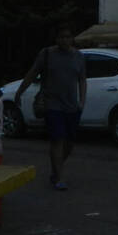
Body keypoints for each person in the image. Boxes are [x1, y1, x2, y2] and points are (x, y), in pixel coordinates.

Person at [16, 26, 87, 190]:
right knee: (57, 140)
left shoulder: (78, 57)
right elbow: (33, 73)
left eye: (68, 37)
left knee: (69, 144)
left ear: (72, 39)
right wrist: (20, 92)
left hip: (72, 106)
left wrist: (82, 100)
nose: (64, 40)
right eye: (61, 37)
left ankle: (56, 169)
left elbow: (82, 79)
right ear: (56, 39)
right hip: (52, 104)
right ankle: (60, 178)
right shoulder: (47, 54)